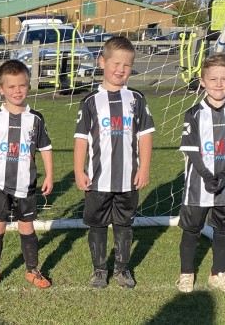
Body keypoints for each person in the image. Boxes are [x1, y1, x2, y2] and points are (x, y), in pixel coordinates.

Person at [73, 36, 154, 289]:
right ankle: (99, 270)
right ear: (102, 62)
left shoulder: (136, 99)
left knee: (123, 224)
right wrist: (78, 170)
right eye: (115, 63)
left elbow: (145, 135)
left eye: (127, 65)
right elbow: (81, 140)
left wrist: (144, 167)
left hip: (128, 178)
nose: (120, 70)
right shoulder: (90, 101)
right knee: (97, 224)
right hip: (98, 178)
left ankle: (122, 269)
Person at [0, 60, 54, 290]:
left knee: (27, 227)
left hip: (26, 184)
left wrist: (49, 175)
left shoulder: (35, 118)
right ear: (1, 89)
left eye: (22, 85)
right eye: (11, 87)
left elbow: (45, 148)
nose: (17, 91)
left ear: (28, 86)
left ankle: (32, 269)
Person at [176, 53, 225, 294]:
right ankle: (186, 273)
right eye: (213, 79)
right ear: (203, 81)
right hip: (200, 183)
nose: (218, 84)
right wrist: (208, 176)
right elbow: (192, 151)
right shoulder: (194, 113)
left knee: (223, 230)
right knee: (192, 230)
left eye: (224, 79)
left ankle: (218, 273)